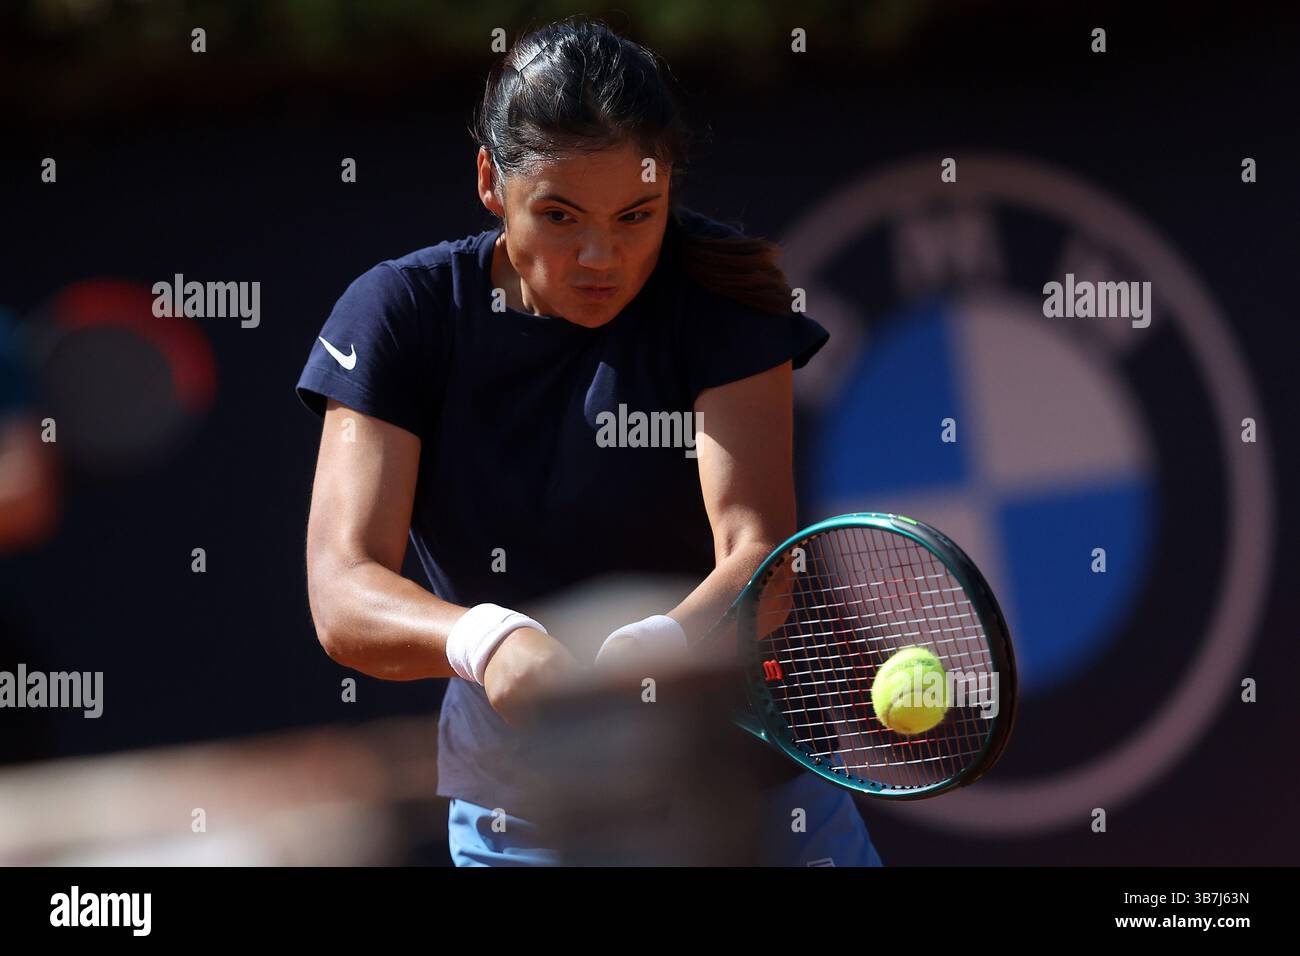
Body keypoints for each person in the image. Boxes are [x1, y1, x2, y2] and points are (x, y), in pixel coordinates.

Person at [296, 17, 882, 867]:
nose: (600, 256)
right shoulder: (399, 314)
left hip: (757, 806)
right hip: (525, 823)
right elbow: (342, 592)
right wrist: (488, 641)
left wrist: (663, 648)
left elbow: (761, 558)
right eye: (561, 216)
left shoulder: (722, 297)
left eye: (637, 214)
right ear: (492, 181)